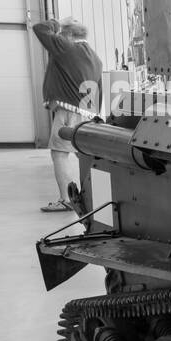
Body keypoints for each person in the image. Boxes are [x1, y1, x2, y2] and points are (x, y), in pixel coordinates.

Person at [31, 17, 102, 212]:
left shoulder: (66, 48)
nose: (59, 36)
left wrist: (57, 23)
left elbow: (39, 28)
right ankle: (96, 195)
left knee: (59, 154)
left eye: (62, 33)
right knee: (84, 154)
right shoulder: (95, 58)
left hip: (68, 113)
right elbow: (99, 89)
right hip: (87, 112)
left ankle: (66, 199)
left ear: (69, 35)